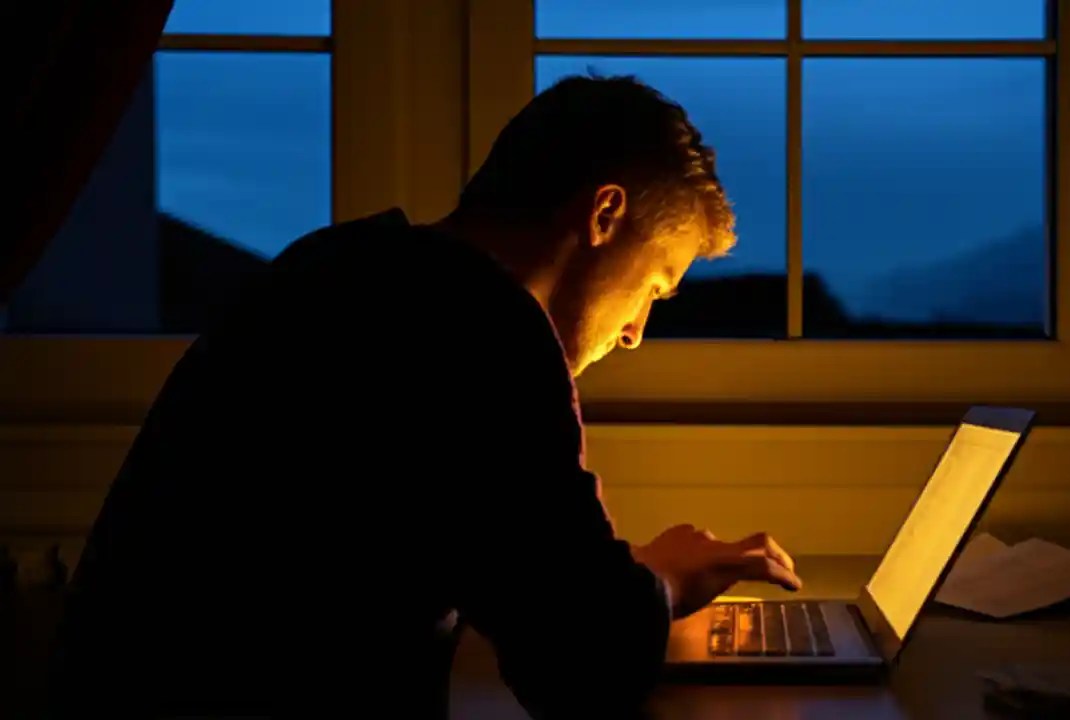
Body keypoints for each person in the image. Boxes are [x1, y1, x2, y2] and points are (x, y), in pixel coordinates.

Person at [46, 74, 802, 718]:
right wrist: (665, 578)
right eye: (654, 288)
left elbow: (499, 561)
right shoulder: (486, 331)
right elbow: (581, 667)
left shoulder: (340, 265)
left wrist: (603, 577)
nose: (635, 332)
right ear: (604, 215)